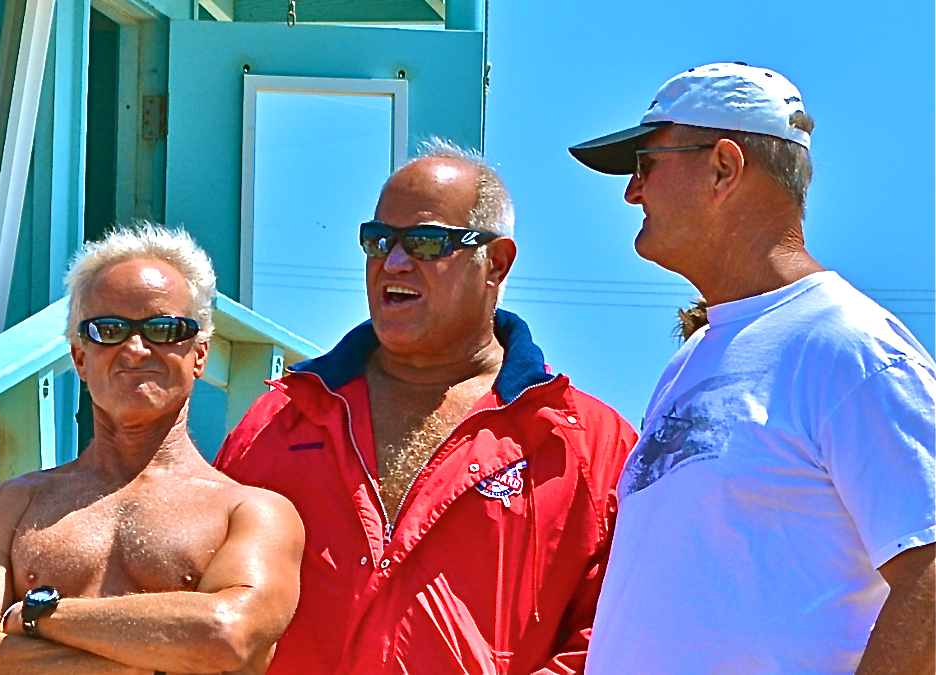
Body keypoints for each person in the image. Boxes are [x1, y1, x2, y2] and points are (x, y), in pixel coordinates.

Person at [215, 140, 638, 674]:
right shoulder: (276, 420)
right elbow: (209, 598)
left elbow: (615, 635)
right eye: (378, 240)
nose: (394, 262)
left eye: (426, 243)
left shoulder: (587, 443)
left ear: (497, 263)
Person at [568, 62, 936, 674]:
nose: (632, 191)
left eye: (646, 164)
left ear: (724, 168)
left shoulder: (849, 344)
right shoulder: (693, 358)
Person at [0, 224, 304, 674]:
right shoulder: (13, 506)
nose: (134, 348)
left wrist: (34, 616)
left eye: (164, 329)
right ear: (79, 358)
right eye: (109, 329)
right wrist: (159, 657)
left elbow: (225, 636)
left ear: (199, 354)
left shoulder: (251, 512)